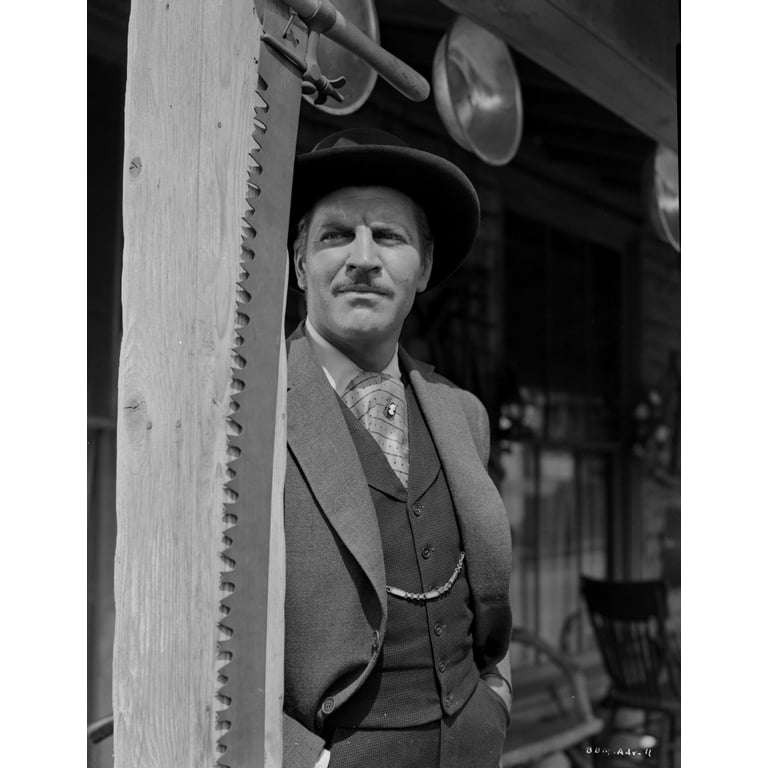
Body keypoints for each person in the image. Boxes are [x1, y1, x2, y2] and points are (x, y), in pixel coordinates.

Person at [282, 128, 513, 768]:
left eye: (388, 236)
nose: (363, 258)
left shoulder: (462, 413)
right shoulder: (247, 409)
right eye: (335, 235)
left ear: (425, 267)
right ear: (299, 262)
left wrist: (496, 696)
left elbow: (485, 590)